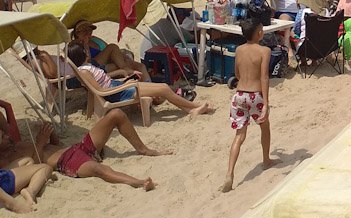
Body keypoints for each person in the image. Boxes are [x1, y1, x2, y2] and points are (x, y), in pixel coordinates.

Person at [29, 111, 169, 191]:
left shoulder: (19, 143)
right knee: (99, 169)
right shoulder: (12, 156)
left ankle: (144, 150)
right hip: (68, 161)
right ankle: (140, 182)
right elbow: (35, 167)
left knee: (116, 114)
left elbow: (55, 146)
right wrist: (40, 143)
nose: (6, 137)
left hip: (76, 148)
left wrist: (49, 134)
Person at [68, 43, 213, 118]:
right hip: (117, 93)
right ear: (83, 54)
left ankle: (191, 109)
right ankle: (194, 107)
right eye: (84, 49)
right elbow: (101, 91)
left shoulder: (87, 67)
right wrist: (127, 84)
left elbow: (103, 81)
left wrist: (122, 76)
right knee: (163, 88)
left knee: (162, 88)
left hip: (118, 86)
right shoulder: (85, 71)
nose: (87, 50)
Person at [222, 20, 279, 193]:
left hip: (239, 95)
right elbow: (264, 77)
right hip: (255, 95)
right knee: (265, 127)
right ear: (259, 33)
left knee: (239, 136)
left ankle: (229, 174)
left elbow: (237, 73)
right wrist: (266, 103)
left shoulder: (239, 50)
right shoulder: (264, 51)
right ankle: (266, 160)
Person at [70, 19, 151, 80]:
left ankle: (149, 89)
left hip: (107, 66)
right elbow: (85, 63)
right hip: (93, 68)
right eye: (84, 31)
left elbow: (111, 52)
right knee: (113, 47)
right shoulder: (75, 45)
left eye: (89, 30)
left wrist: (121, 57)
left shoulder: (95, 40)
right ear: (77, 33)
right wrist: (85, 44)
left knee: (139, 66)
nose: (87, 32)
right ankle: (125, 68)